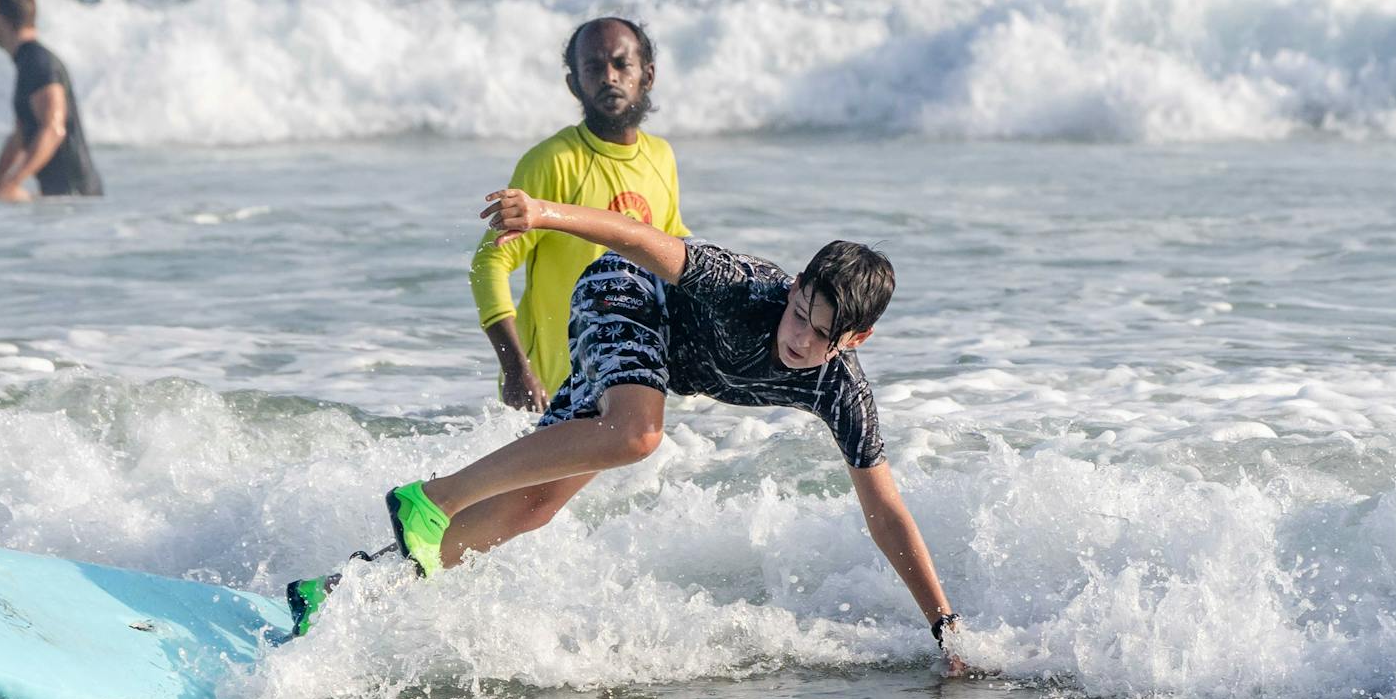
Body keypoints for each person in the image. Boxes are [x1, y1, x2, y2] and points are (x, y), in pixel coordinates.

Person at [288, 190, 961, 652]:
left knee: (532, 505)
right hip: (623, 293)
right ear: (792, 289)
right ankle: (430, 497)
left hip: (649, 368)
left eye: (822, 335)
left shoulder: (840, 390)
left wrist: (945, 628)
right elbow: (641, 240)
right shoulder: (738, 288)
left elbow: (887, 512)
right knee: (639, 432)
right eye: (798, 315)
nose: (800, 341)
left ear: (856, 340)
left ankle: (345, 595)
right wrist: (542, 214)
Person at [470, 18, 688, 411]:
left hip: (626, 386)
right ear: (574, 84)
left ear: (648, 75)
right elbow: (490, 262)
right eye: (593, 67)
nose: (609, 77)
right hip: (549, 396)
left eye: (622, 64)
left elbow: (675, 251)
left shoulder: (661, 158)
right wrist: (517, 369)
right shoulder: (553, 161)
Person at [0, 0, 104, 201]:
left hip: (76, 196)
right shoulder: (27, 62)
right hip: (63, 196)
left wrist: (13, 182)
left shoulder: (38, 63)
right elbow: (20, 137)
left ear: (0, 20)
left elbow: (52, 129)